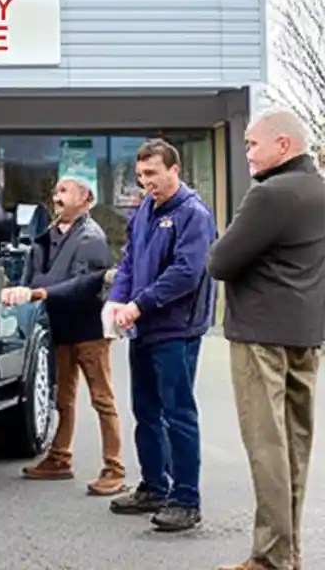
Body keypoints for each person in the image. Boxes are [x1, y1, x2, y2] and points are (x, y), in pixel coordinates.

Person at [207, 109, 325, 570]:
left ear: (283, 145)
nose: (248, 154)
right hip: (305, 335)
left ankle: (272, 558)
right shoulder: (318, 191)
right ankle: (288, 552)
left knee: (267, 447)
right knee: (295, 445)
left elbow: (220, 261)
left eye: (253, 145)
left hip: (261, 337)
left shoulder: (270, 196)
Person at [105, 138, 216, 532]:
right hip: (143, 327)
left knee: (178, 414)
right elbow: (130, 262)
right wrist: (118, 301)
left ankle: (186, 499)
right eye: (140, 176)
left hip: (176, 330)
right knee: (146, 411)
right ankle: (154, 485)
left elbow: (186, 273)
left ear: (175, 170)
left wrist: (140, 304)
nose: (145, 183)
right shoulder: (145, 211)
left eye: (152, 174)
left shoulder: (194, 215)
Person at [1, 176, 124, 496]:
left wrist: (38, 290)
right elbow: (38, 277)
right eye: (55, 191)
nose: (56, 197)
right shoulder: (46, 236)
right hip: (61, 329)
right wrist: (29, 289)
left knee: (102, 399)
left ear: (86, 199)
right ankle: (59, 458)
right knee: (63, 398)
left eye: (64, 191)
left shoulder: (92, 237)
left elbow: (84, 284)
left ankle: (114, 467)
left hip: (90, 332)